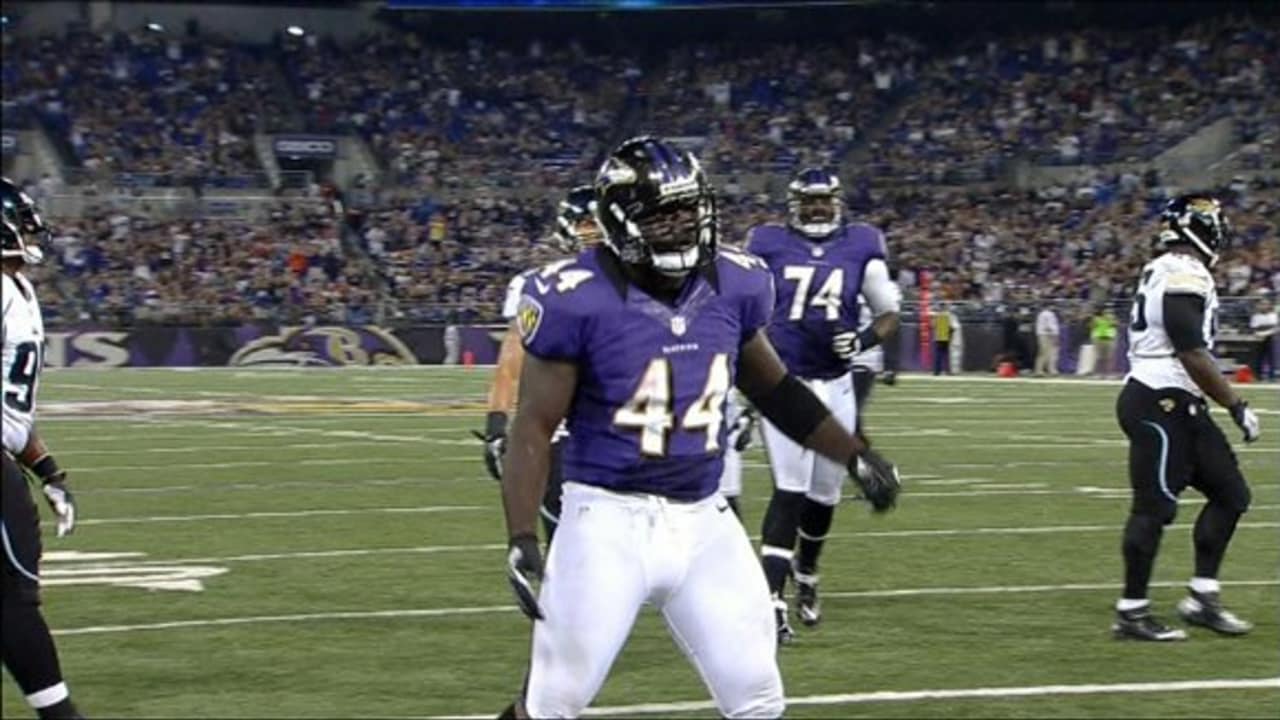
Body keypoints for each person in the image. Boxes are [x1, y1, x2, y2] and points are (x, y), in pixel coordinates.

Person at [495, 138, 900, 718]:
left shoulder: (735, 283)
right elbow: (532, 426)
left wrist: (854, 453)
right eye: (662, 213)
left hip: (705, 520)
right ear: (619, 220)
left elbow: (776, 390)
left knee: (757, 695)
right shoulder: (574, 298)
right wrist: (521, 538)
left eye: (689, 210)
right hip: (606, 520)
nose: (681, 225)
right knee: (553, 701)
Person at [747, 168, 901, 640]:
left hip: (835, 385)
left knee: (825, 494)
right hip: (785, 382)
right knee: (789, 489)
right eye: (809, 201)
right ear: (795, 204)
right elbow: (743, 303)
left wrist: (860, 339)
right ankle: (771, 601)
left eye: (823, 201)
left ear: (836, 202)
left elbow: (889, 313)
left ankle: (807, 573)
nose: (817, 209)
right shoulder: (766, 244)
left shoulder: (861, 244)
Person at [1113, 195, 1260, 641]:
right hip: (1160, 400)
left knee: (1231, 493)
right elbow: (1190, 348)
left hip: (1181, 402)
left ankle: (1202, 596)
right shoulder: (1183, 271)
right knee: (1154, 507)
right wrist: (1236, 404)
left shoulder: (1166, 267)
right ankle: (1132, 611)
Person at [1, 178, 84, 719]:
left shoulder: (18, 290)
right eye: (23, 223)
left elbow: (12, 412)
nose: (33, 234)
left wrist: (49, 471)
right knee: (12, 597)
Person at [476, 186, 600, 543]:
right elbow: (512, 359)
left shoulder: (643, 282)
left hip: (625, 429)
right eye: (586, 224)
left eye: (599, 222)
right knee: (572, 543)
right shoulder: (539, 284)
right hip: (564, 428)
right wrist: (497, 423)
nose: (594, 233)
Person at [1248, 297, 1277, 381]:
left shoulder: (1273, 315)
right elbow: (1253, 329)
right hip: (1258, 339)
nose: (1264, 306)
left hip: (1269, 338)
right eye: (1262, 304)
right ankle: (1257, 376)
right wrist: (1259, 334)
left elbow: (1274, 328)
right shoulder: (1256, 316)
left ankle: (1272, 376)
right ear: (1259, 306)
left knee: (1271, 357)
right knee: (1258, 357)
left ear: (1269, 306)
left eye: (1266, 304)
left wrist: (1265, 333)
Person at [1090, 306, 1118, 377]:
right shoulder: (1097, 319)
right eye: (1106, 312)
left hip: (1109, 339)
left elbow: (1116, 324)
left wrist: (1111, 319)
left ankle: (1108, 373)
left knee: (1109, 358)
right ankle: (1097, 373)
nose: (1108, 313)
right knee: (1099, 358)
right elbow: (1092, 326)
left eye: (1109, 312)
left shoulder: (1111, 319)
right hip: (1099, 339)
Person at [1035, 303, 1060, 376]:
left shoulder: (1041, 314)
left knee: (1045, 353)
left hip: (1043, 334)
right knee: (1047, 353)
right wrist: (1055, 336)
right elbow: (1049, 326)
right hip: (1047, 334)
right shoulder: (1048, 314)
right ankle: (1044, 370)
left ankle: (1043, 370)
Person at [932, 303, 952, 375]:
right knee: (946, 355)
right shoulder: (948, 315)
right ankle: (947, 371)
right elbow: (951, 326)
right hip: (946, 337)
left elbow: (933, 326)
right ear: (945, 307)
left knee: (938, 355)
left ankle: (937, 371)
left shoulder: (937, 315)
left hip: (938, 337)